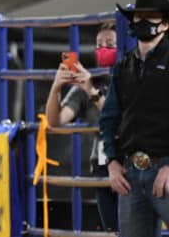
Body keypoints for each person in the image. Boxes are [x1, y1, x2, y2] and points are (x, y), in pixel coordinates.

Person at [101, 0, 169, 237]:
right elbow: (109, 118)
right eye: (139, 16)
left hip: (163, 167)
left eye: (150, 16)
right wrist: (112, 161)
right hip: (131, 170)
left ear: (165, 24)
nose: (143, 22)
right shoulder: (123, 67)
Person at [45, 24, 118, 231]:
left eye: (110, 44)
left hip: (134, 163)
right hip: (103, 165)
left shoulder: (130, 77)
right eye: (99, 45)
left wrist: (90, 89)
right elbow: (56, 119)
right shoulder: (90, 80)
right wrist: (56, 86)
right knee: (112, 230)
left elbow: (121, 117)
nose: (103, 49)